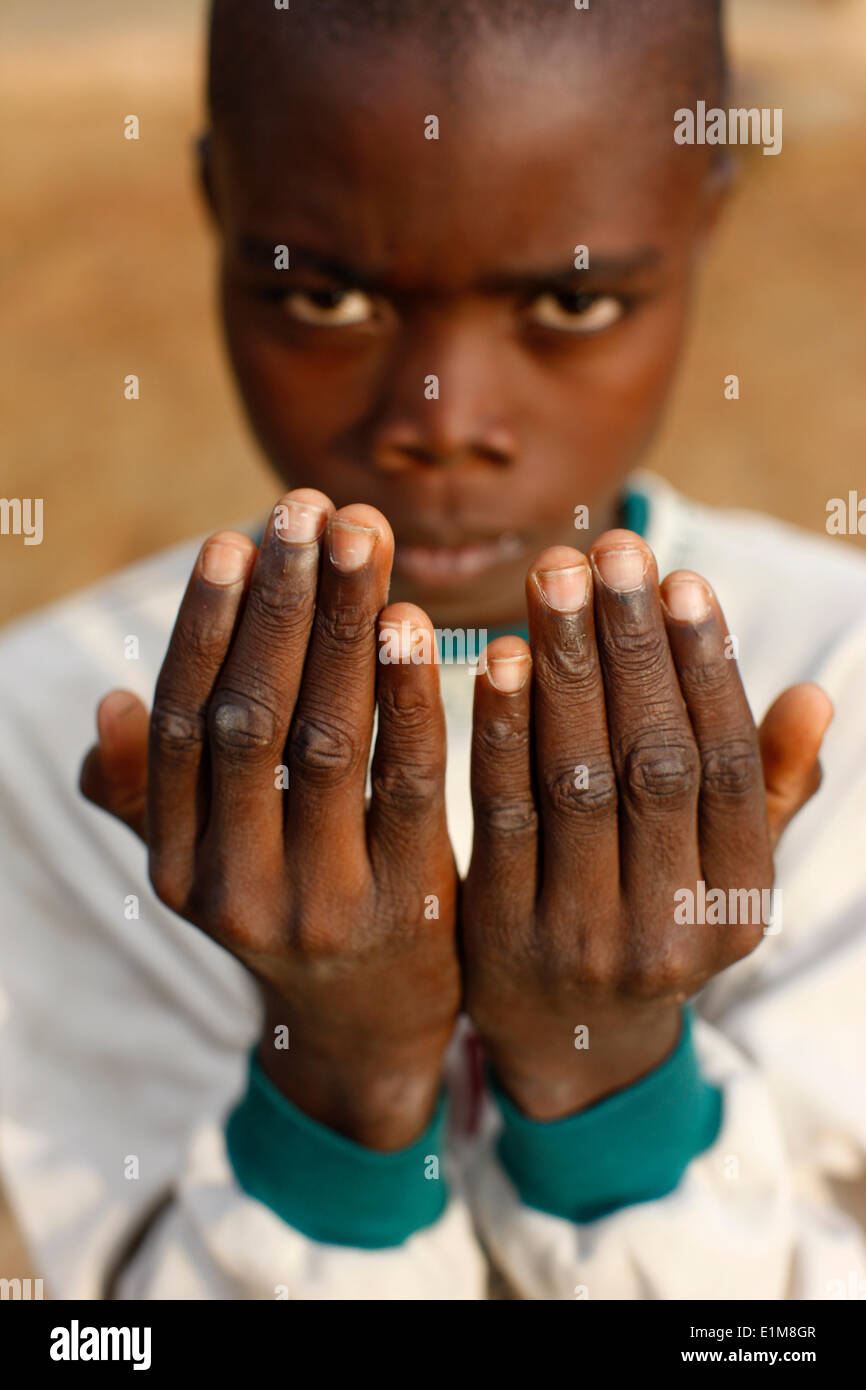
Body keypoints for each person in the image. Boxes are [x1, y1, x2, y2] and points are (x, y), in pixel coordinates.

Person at [1, 0, 864, 1300]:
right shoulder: (61, 726)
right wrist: (341, 1068)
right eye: (323, 294)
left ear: (703, 213)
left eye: (572, 298)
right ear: (216, 206)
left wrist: (604, 1061)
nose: (442, 420)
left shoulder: (835, 676)